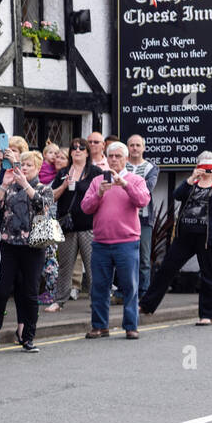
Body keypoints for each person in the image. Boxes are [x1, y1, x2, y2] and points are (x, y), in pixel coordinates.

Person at [141, 153, 212, 325]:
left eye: (210, 167)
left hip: (208, 238)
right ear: (197, 166)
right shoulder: (191, 183)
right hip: (185, 237)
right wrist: (191, 179)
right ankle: (147, 305)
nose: (206, 170)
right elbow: (177, 195)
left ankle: (207, 315)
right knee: (166, 269)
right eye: (203, 166)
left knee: (208, 276)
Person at [0, 148, 53, 353]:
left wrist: (25, 185)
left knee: (29, 293)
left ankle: (28, 337)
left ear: (38, 168)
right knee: (0, 291)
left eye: (29, 165)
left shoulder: (44, 188)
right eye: (21, 165)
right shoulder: (11, 187)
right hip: (8, 245)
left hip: (33, 247)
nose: (24, 169)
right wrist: (4, 184)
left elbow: (43, 206)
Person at [80, 141, 149, 339]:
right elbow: (86, 207)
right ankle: (100, 326)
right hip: (101, 242)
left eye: (118, 156)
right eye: (111, 156)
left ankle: (130, 326)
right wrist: (100, 193)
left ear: (126, 159)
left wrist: (125, 185)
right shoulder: (97, 181)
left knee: (129, 286)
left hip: (127, 242)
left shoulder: (135, 180)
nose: (114, 160)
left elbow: (143, 201)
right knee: (99, 287)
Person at [51, 138, 98, 310]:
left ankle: (97, 301)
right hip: (67, 227)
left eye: (81, 148)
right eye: (74, 148)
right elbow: (52, 196)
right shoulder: (63, 172)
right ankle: (59, 301)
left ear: (87, 152)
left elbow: (101, 197)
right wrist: (64, 185)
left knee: (93, 267)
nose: (77, 150)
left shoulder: (94, 172)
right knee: (65, 266)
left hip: (89, 226)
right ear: (70, 152)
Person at [125, 134, 158, 300]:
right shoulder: (122, 165)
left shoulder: (151, 167)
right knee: (124, 257)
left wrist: (126, 185)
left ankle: (144, 292)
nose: (135, 148)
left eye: (138, 145)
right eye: (132, 145)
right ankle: (125, 292)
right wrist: (136, 185)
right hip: (123, 218)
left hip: (144, 218)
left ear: (144, 148)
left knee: (144, 258)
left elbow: (148, 187)